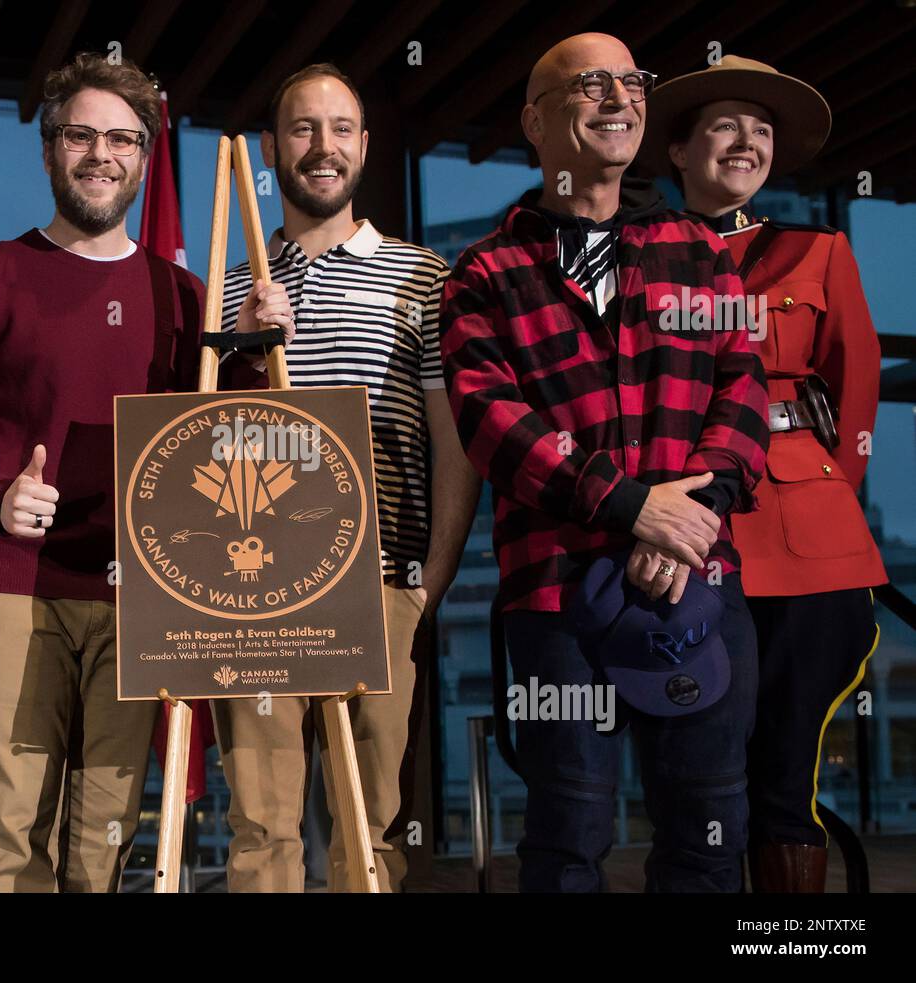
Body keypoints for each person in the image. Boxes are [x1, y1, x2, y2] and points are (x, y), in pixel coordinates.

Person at [0, 52, 282, 892]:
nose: (101, 154)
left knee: (103, 837)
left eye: (122, 139)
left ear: (145, 158)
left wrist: (256, 354)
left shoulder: (185, 295)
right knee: (10, 837)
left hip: (138, 592)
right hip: (11, 585)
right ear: (49, 150)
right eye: (81, 134)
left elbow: (218, 439)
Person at [439, 34, 771, 892]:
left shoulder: (699, 254)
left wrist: (687, 517)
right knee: (567, 826)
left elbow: (742, 386)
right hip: (555, 592)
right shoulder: (486, 271)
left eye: (631, 80)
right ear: (535, 122)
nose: (618, 96)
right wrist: (632, 507)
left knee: (710, 824)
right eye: (591, 83)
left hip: (700, 576)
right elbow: (492, 424)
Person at [216, 63, 480, 892]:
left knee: (373, 828)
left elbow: (454, 441)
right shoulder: (227, 286)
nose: (321, 147)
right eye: (302, 129)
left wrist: (429, 582)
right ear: (270, 148)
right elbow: (204, 446)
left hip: (380, 579)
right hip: (254, 591)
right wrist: (247, 350)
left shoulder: (425, 277)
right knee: (262, 828)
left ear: (364, 147)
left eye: (339, 129)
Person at [639, 55, 887, 892]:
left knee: (787, 779)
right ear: (677, 149)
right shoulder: (635, 258)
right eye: (724, 124)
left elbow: (854, 397)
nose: (745, 141)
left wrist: (824, 506)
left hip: (806, 540)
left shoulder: (818, 251)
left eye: (762, 129)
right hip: (682, 531)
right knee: (698, 775)